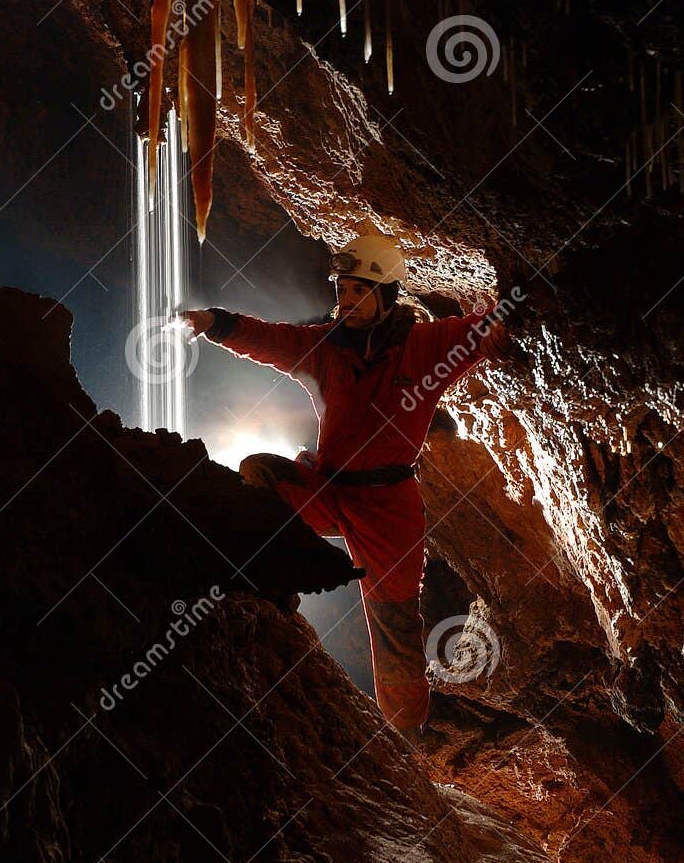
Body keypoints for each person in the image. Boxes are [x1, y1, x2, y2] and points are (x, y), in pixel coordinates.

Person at [181, 234, 512, 740]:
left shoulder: (423, 346)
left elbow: (480, 333)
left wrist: (504, 325)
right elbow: (272, 341)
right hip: (328, 488)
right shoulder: (326, 347)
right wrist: (216, 323)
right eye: (342, 291)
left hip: (387, 507)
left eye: (359, 291)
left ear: (387, 295)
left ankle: (406, 738)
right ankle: (274, 585)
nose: (348, 301)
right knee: (259, 470)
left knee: (394, 625)